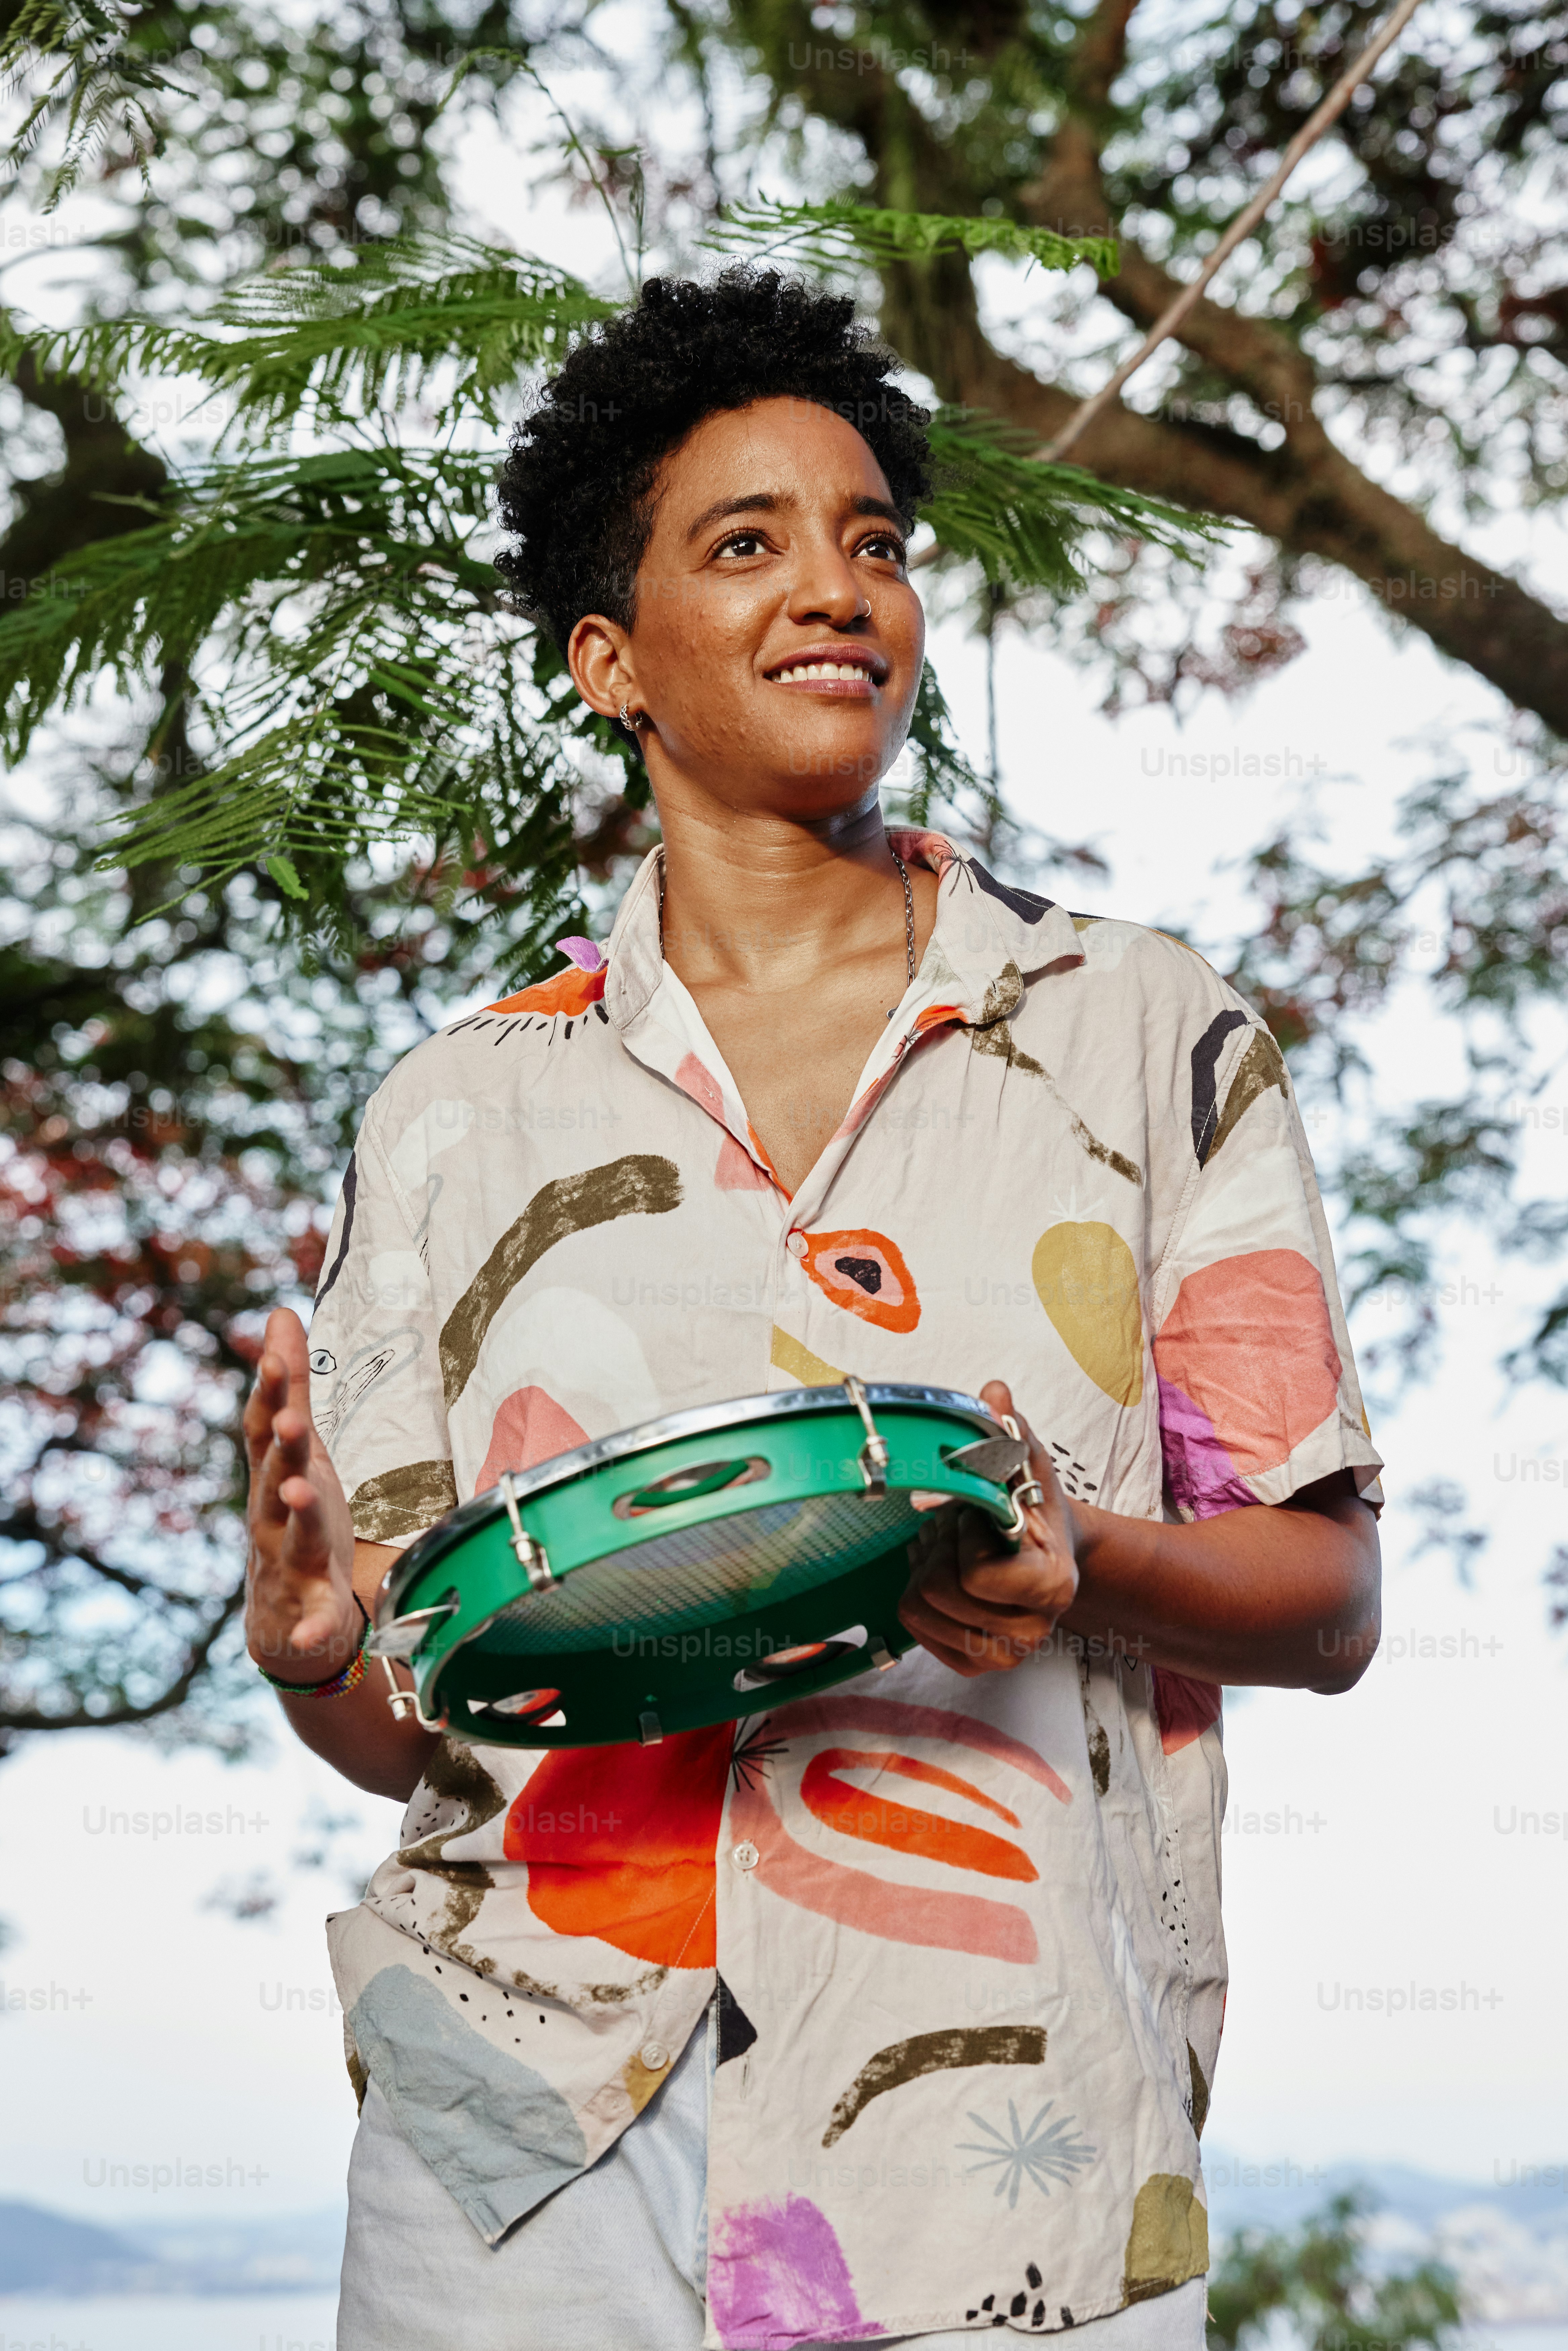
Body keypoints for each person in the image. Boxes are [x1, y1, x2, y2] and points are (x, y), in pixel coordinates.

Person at [242, 269, 1383, 2351]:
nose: (836, 587)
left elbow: (1328, 1598)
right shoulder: (451, 1112)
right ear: (611, 660)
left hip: (998, 2131)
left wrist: (1086, 1562)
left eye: (873, 540)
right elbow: (418, 1706)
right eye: (746, 542)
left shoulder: (1143, 1031)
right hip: (521, 2144)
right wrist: (314, 1651)